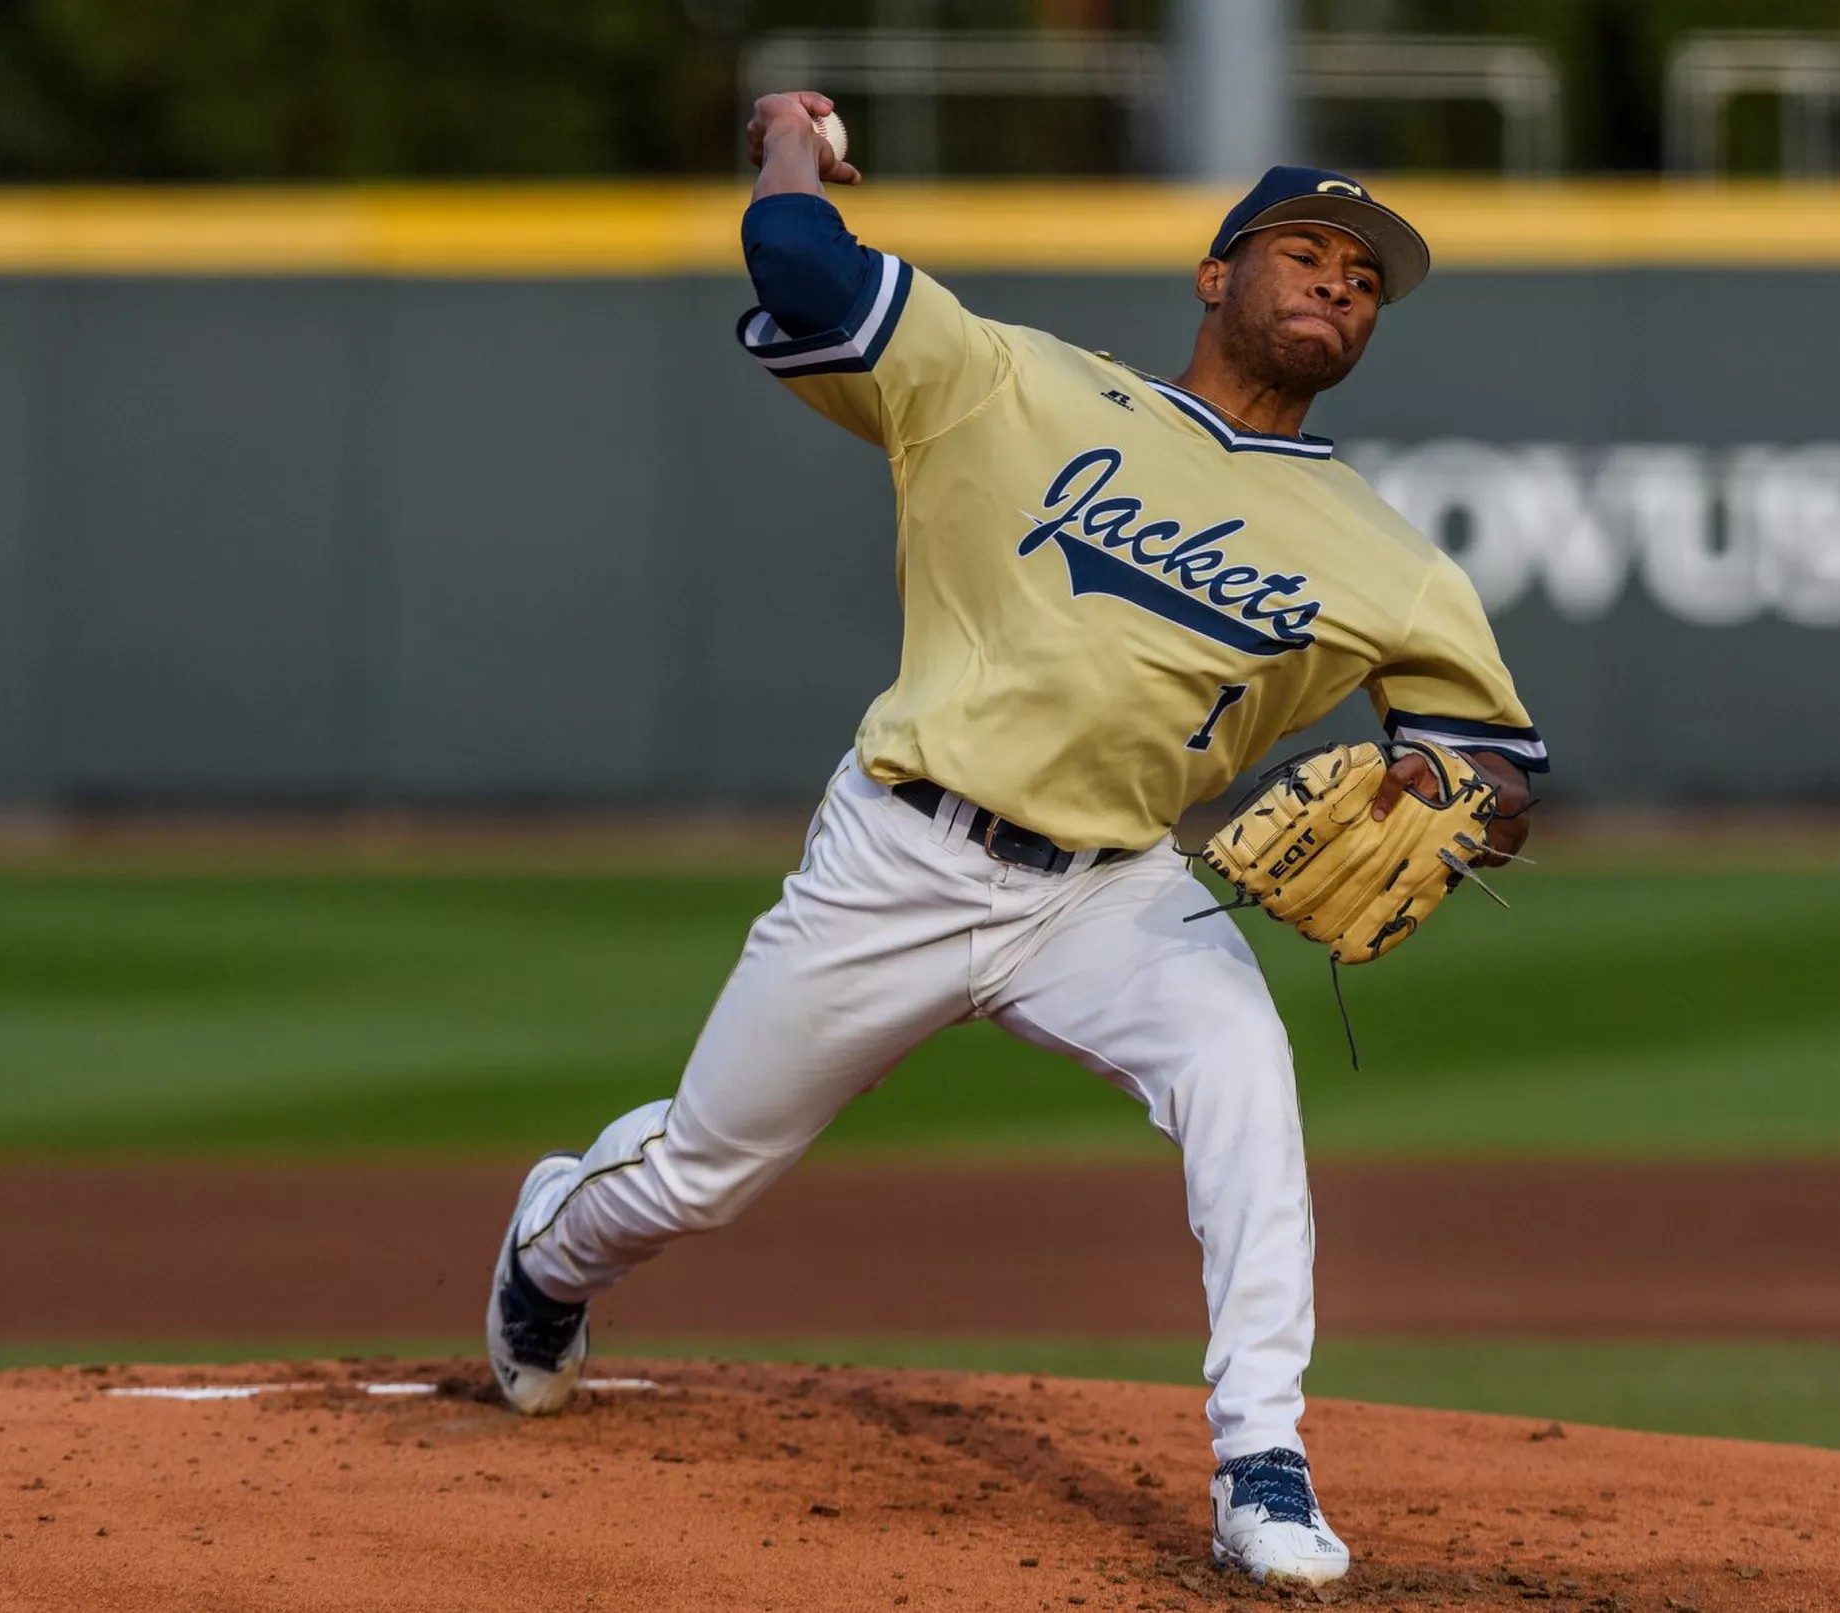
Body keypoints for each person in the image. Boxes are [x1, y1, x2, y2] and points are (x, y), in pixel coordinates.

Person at [485, 89, 1547, 1587]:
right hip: (899, 856)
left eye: (1363, 279)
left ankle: (1265, 1464)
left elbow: (1495, 771)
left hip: (1112, 891)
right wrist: (791, 138)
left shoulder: (1391, 558)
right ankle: (549, 1253)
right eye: (1307, 251)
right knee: (700, 1173)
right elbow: (797, 264)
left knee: (1245, 1080)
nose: (1337, 283)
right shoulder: (1014, 385)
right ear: (1215, 273)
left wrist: (1458, 816)